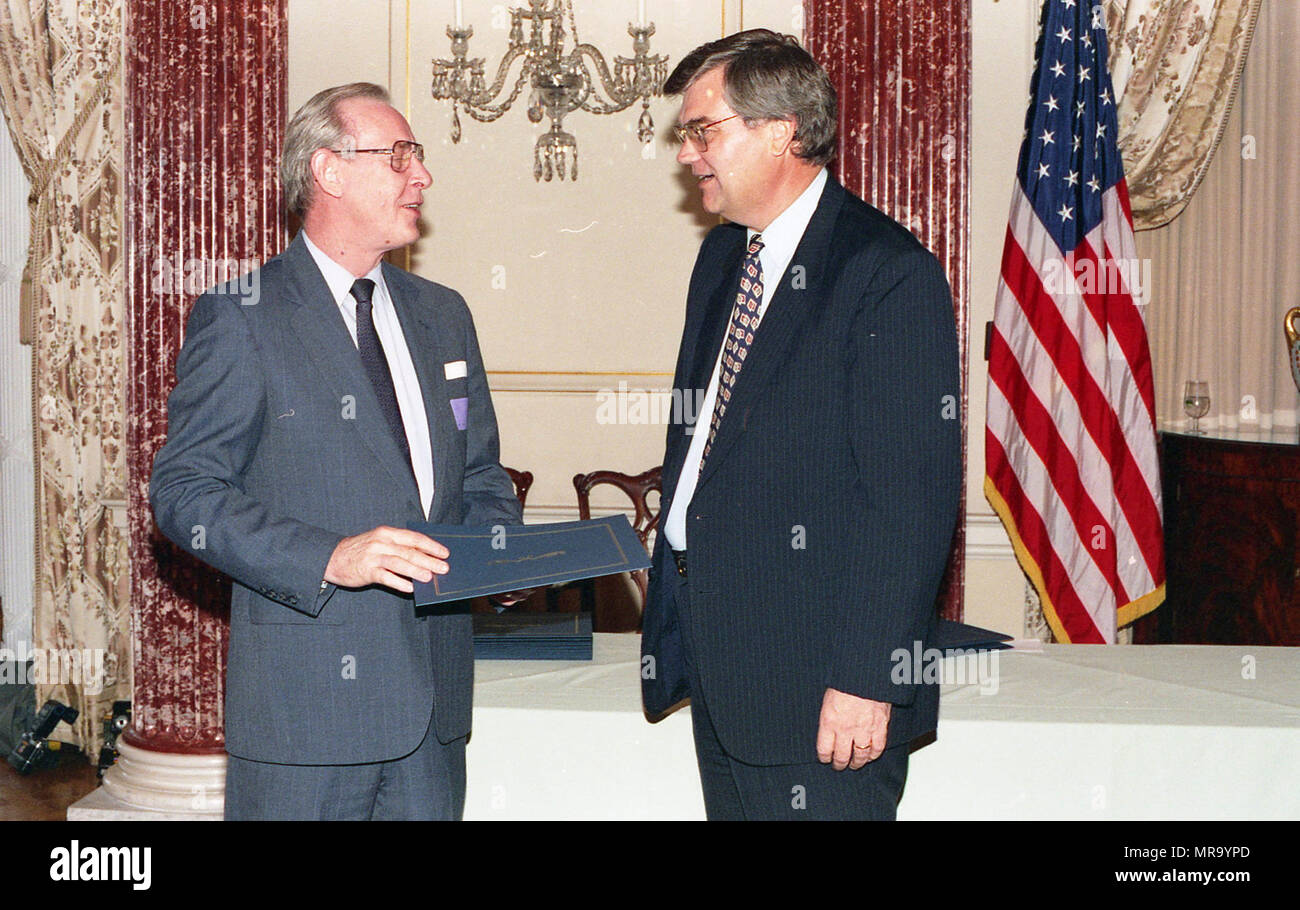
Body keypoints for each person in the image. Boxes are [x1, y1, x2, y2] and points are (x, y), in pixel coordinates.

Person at [149, 83, 523, 820]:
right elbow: (184, 493)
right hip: (306, 720)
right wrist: (329, 557)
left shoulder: (443, 316)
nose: (422, 176)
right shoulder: (241, 318)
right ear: (329, 171)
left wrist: (497, 550)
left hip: (434, 719)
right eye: (401, 156)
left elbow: (479, 474)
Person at [641, 30, 961, 820]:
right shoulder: (722, 260)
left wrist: (866, 677)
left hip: (827, 693)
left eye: (702, 130)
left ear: (781, 129)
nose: (688, 154)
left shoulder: (887, 274)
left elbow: (910, 506)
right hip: (724, 673)